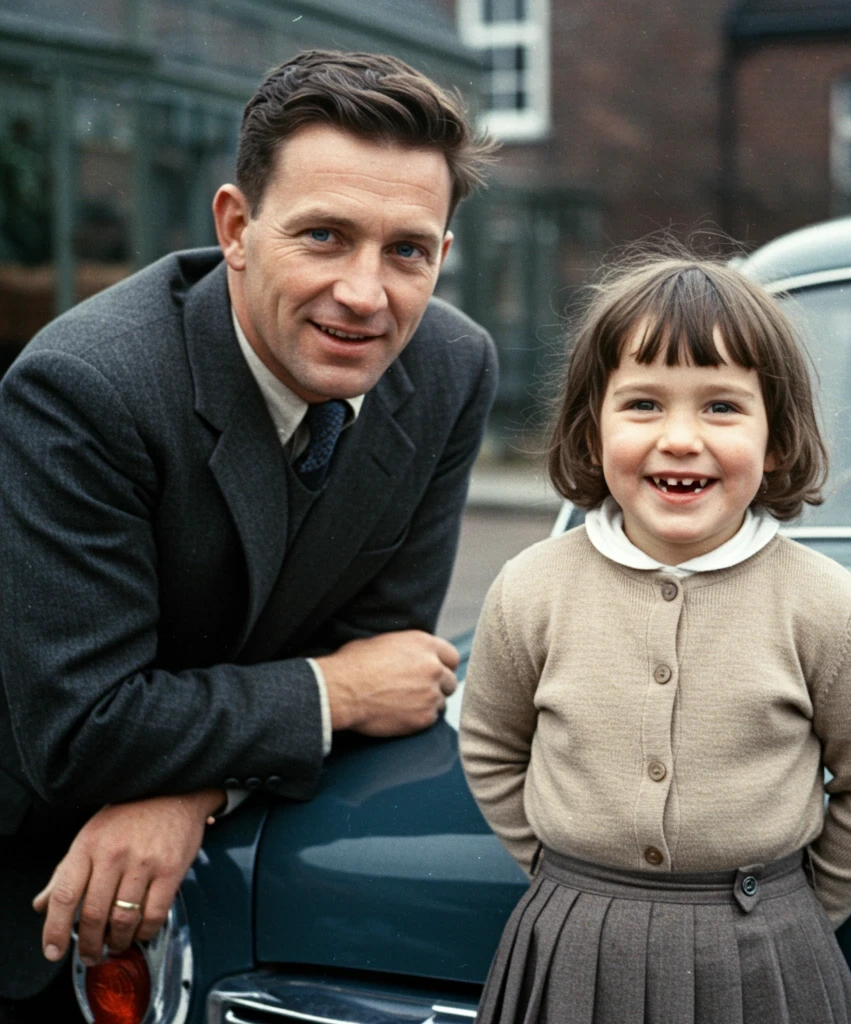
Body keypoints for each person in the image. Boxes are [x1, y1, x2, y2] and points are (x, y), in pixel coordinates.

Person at [0, 49, 497, 1019]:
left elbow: (387, 655)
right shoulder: (87, 389)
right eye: (324, 235)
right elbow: (82, 727)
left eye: (409, 250)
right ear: (235, 226)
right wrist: (332, 688)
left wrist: (192, 793)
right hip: (35, 887)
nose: (367, 293)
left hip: (243, 869)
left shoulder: (450, 367)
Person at [459, 253, 851, 1023]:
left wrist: (797, 912)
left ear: (777, 438)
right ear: (590, 427)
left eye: (721, 407)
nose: (680, 439)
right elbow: (492, 747)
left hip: (765, 948)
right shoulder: (530, 589)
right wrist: (560, 874)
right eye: (643, 404)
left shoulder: (825, 605)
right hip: (573, 937)